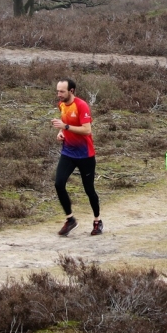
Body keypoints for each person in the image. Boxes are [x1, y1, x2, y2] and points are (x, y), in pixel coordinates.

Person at [51, 79, 102, 236]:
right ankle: (70, 219)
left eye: (62, 91)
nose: (59, 94)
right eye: (58, 91)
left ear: (71, 91)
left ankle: (97, 221)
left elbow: (86, 130)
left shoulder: (81, 105)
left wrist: (65, 127)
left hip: (85, 154)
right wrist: (61, 133)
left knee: (89, 189)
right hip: (68, 152)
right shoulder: (61, 105)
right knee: (59, 184)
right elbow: (66, 127)